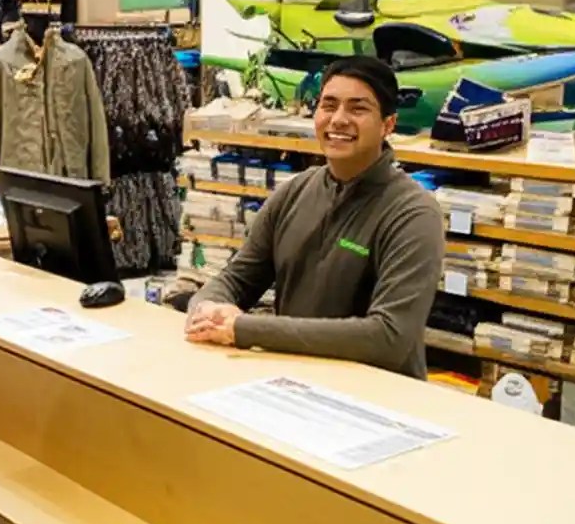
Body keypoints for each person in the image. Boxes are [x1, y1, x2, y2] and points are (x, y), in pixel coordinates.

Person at [185, 56, 444, 378]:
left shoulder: (413, 214)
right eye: (328, 105)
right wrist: (207, 308)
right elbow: (236, 279)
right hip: (294, 382)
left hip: (376, 397)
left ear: (387, 125)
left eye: (358, 108)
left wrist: (246, 329)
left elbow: (389, 337)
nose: (338, 119)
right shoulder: (294, 193)